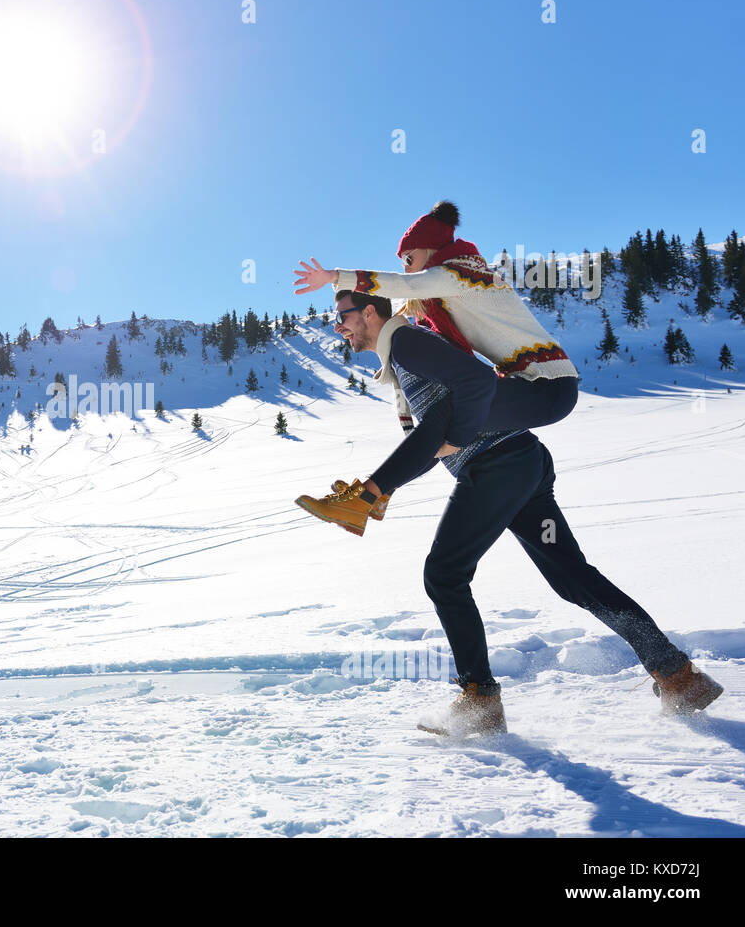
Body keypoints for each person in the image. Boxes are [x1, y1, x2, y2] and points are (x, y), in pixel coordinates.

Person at [296, 289, 722, 736]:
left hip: (497, 469)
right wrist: (387, 489)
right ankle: (678, 676)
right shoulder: (407, 353)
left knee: (445, 575)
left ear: (369, 311)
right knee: (574, 578)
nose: (337, 326)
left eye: (341, 316)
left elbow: (477, 388)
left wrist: (378, 488)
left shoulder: (407, 342)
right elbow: (437, 440)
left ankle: (480, 701)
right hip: (523, 467)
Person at [293, 201, 579, 517]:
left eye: (408, 259)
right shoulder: (446, 289)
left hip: (549, 385)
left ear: (430, 249)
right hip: (530, 385)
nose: (406, 268)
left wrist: (337, 276)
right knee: (443, 419)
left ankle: (365, 500)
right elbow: (405, 312)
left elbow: (405, 286)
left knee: (448, 416)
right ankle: (376, 495)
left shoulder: (459, 272)